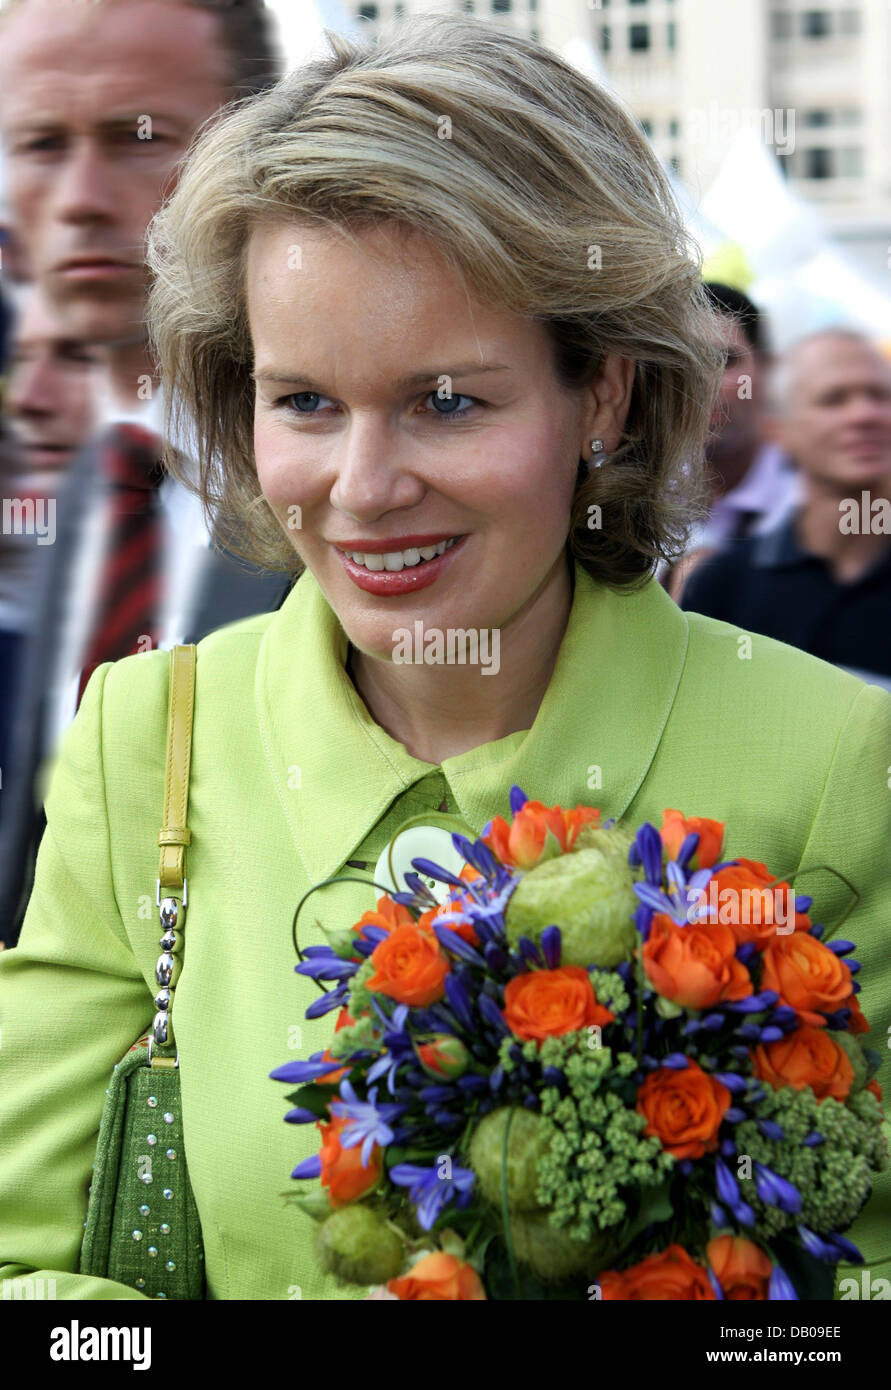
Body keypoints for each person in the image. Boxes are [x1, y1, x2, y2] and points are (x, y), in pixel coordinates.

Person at [0, 15, 888, 1301]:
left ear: (606, 395)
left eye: (447, 401)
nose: (362, 489)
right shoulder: (142, 737)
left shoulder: (828, 761)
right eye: (304, 400)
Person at [0, 0, 289, 945]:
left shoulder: (358, 488)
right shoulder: (94, 490)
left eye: (137, 138)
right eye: (41, 142)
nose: (80, 196)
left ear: (252, 149)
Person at [681, 328, 891, 688]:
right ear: (778, 430)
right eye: (833, 399)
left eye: (880, 396)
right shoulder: (722, 587)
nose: (863, 415)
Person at [664, 283, 799, 602]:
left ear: (766, 371)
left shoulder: (808, 500)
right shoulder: (641, 494)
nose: (704, 382)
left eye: (726, 360)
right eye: (685, 360)